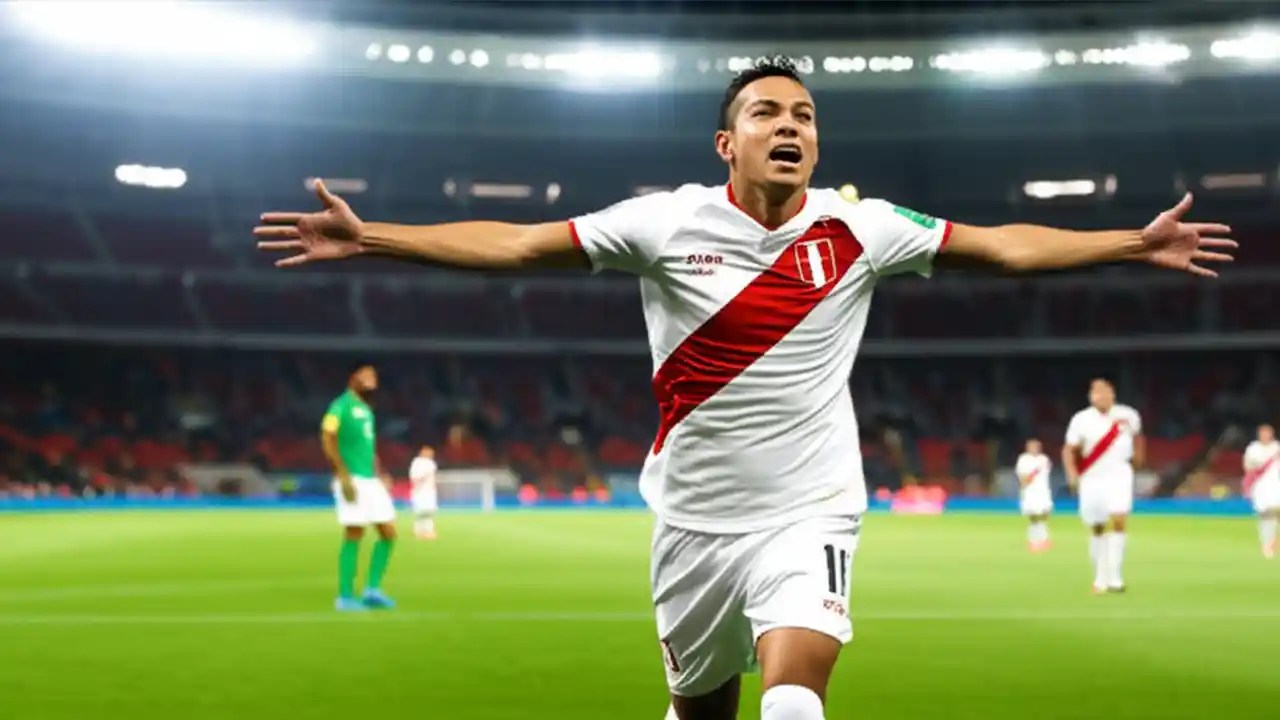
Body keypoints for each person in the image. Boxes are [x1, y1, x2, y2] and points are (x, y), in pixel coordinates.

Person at [257, 56, 1234, 720]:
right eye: (765, 112)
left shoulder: (863, 229)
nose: (789, 126)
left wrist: (1129, 242)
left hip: (809, 512)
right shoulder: (661, 223)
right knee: (700, 706)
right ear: (724, 143)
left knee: (794, 694)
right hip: (689, 522)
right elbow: (513, 244)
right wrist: (370, 234)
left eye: (803, 115)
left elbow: (1002, 248)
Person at [322, 363, 398, 611]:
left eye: (374, 375)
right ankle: (344, 596)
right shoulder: (340, 405)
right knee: (354, 533)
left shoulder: (367, 409)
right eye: (365, 374)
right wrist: (342, 475)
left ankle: (372, 590)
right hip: (352, 478)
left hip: (370, 479)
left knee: (388, 532)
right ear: (352, 378)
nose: (371, 378)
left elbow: (369, 448)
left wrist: (380, 473)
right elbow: (327, 437)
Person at [1063, 378, 1144, 594]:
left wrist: (1138, 462)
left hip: (1119, 473)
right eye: (1097, 392)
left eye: (1105, 391)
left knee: (1119, 519)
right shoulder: (1081, 419)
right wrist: (1072, 473)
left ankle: (1116, 578)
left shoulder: (1128, 415)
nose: (1101, 396)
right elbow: (1070, 449)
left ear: (1113, 393)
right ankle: (1100, 577)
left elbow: (1138, 439)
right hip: (1092, 475)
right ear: (1091, 396)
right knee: (1097, 526)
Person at [1243, 423, 1279, 559]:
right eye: (1262, 433)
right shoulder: (1253, 449)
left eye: (1267, 433)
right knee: (1265, 517)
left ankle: (1273, 542)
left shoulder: (1277, 448)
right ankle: (1267, 543)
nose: (1265, 436)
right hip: (1259, 488)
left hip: (1275, 487)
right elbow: (1248, 468)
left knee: (1275, 515)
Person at [1015, 438, 1053, 552]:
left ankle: (1044, 539)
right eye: (1032, 446)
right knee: (1033, 517)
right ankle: (1033, 541)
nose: (1035, 448)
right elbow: (1023, 479)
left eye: (1037, 446)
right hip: (1030, 493)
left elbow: (1046, 472)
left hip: (1043, 492)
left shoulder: (1044, 459)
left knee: (1044, 515)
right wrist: (1034, 473)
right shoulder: (1023, 460)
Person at [409, 445, 439, 540]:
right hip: (421, 491)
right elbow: (415, 477)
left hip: (428, 491)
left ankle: (425, 530)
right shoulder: (419, 463)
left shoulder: (429, 463)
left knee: (428, 512)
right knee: (423, 512)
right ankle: (423, 531)